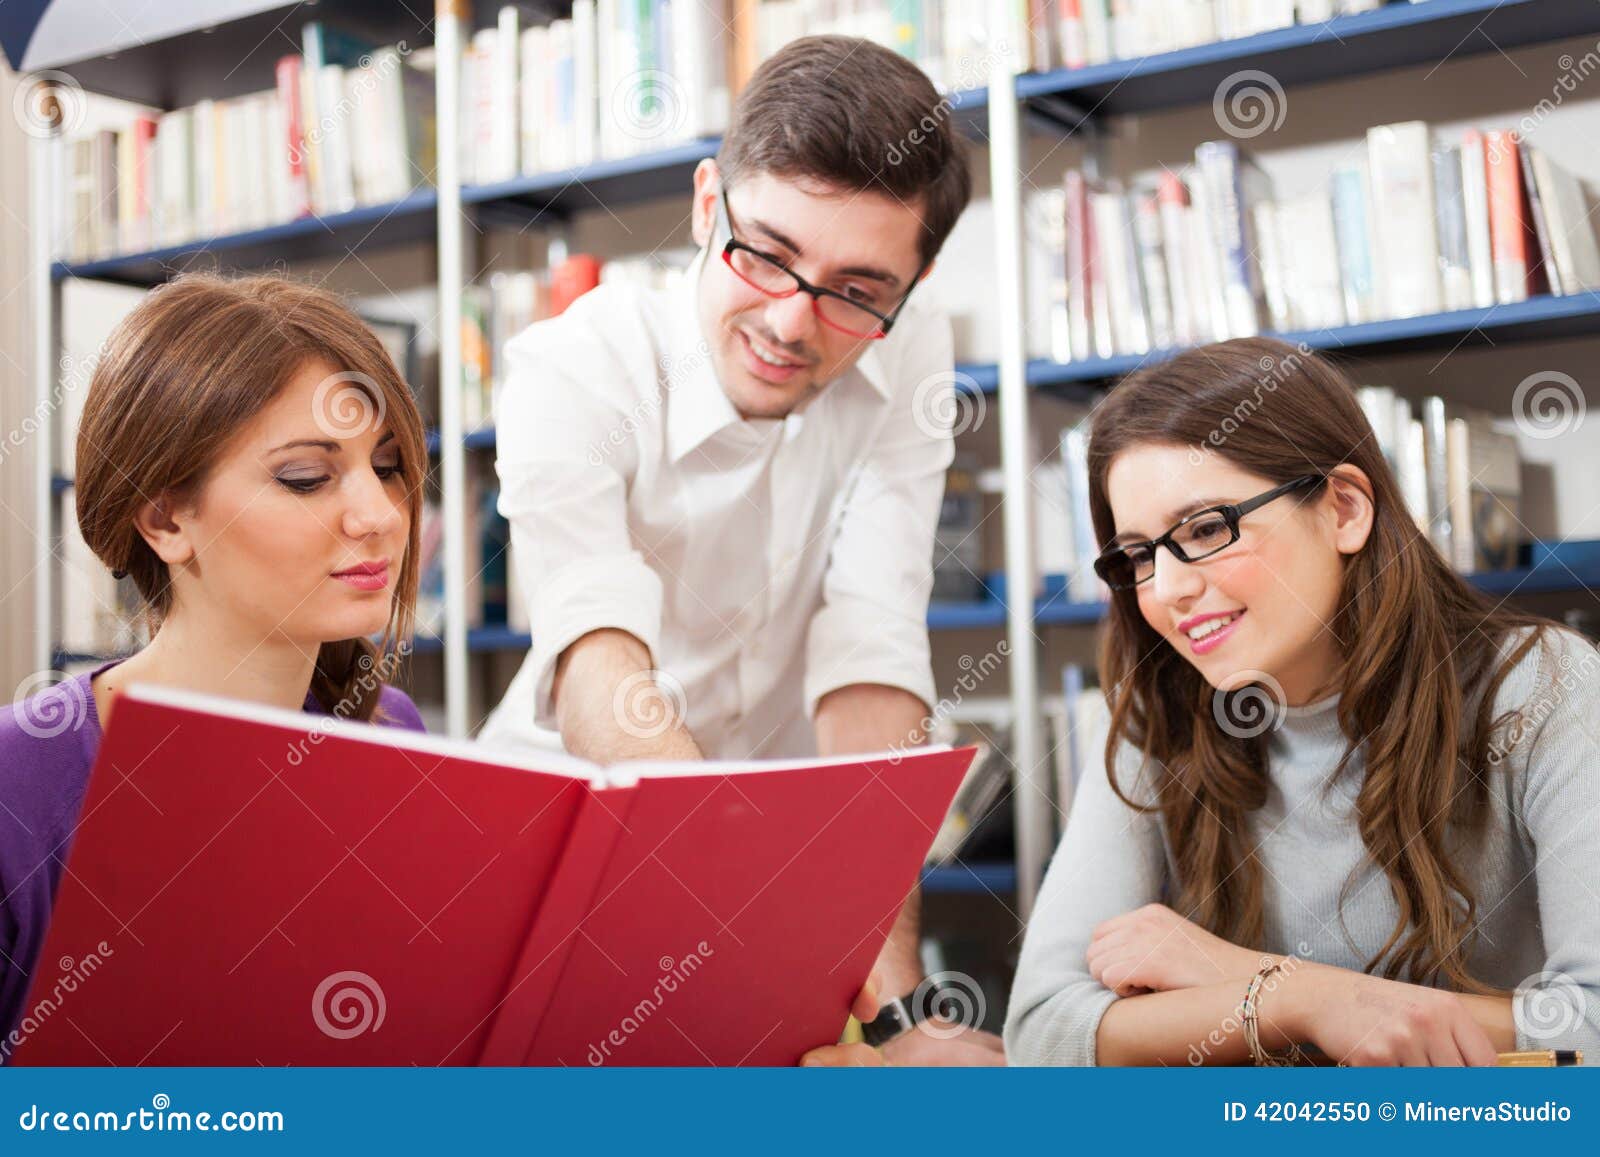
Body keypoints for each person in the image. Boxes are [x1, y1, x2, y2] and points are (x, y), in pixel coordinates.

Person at [478, 35, 1000, 1063]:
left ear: (914, 276)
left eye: (854, 288)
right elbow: (601, 676)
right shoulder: (571, 371)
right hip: (560, 838)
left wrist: (895, 1016)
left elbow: (872, 651)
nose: (791, 320)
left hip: (767, 867)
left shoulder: (910, 337)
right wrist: (750, 927)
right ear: (705, 200)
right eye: (763, 252)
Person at [1004, 337, 1600, 1066]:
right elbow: (1041, 1031)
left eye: (1204, 529)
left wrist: (1240, 974)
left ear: (1345, 508)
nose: (1166, 589)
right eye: (1138, 555)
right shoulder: (1155, 718)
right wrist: (1298, 999)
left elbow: (1593, 1022)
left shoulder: (1542, 687)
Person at [0, 274, 430, 1050]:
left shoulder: (391, 732)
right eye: (307, 476)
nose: (379, 516)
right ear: (165, 517)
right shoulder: (17, 784)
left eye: (389, 465)